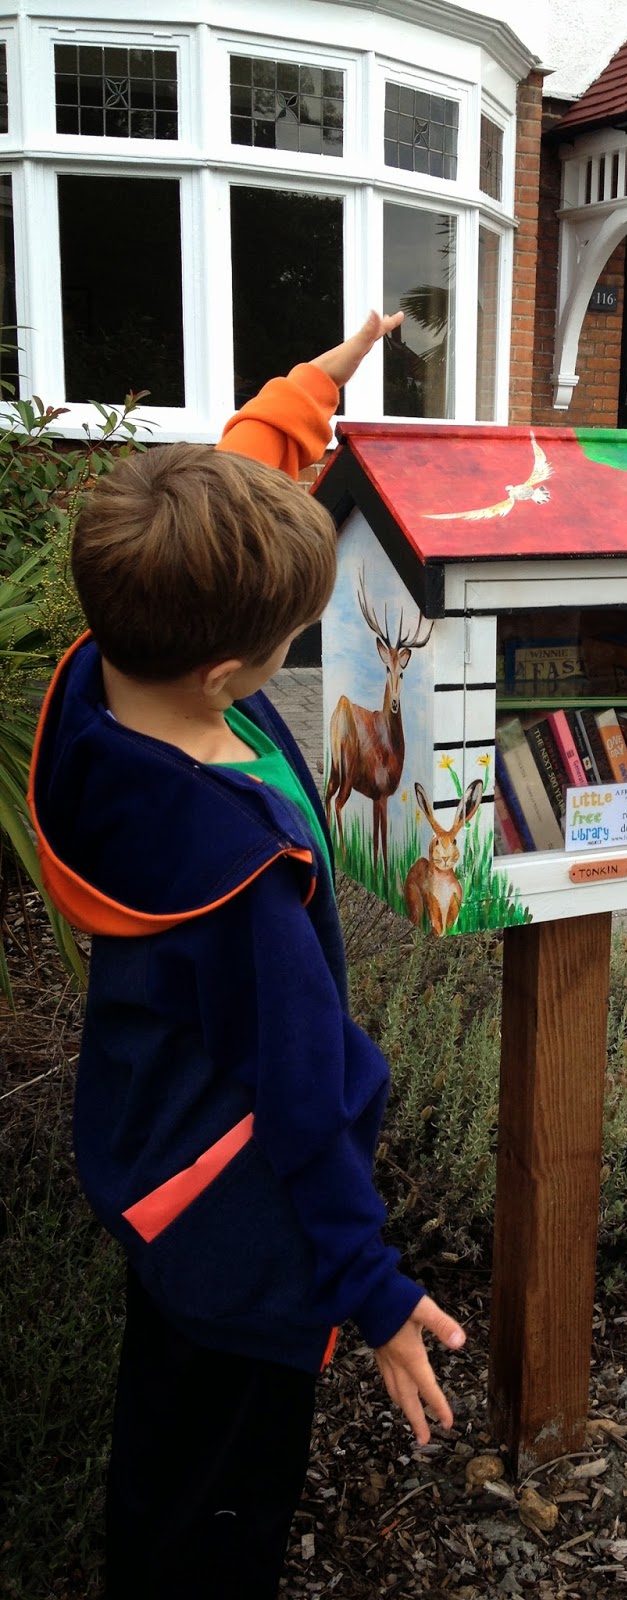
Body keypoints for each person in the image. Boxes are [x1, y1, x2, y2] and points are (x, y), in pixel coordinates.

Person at [28, 311, 466, 1598]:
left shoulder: (104, 683)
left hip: (156, 1145)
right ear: (231, 670)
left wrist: (304, 396)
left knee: (158, 1428)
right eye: (289, 644)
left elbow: (223, 490)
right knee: (221, 1495)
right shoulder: (243, 885)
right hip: (243, 1214)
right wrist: (372, 1295)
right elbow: (302, 1101)